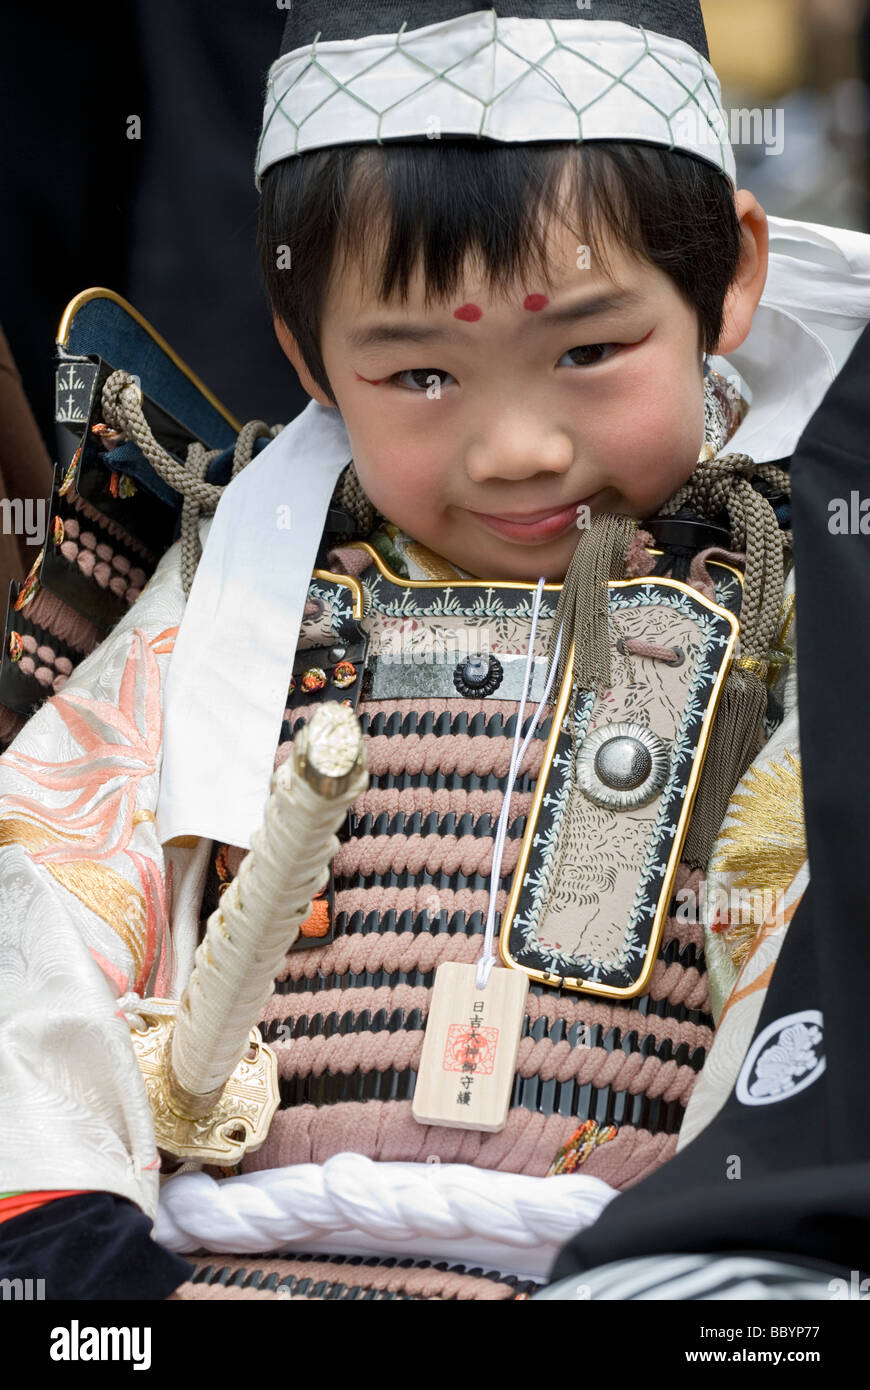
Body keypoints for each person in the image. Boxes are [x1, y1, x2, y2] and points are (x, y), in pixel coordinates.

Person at [1, 0, 869, 1302]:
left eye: (589, 348)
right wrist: (83, 1262)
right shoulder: (238, 593)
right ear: (302, 349)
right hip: (216, 1267)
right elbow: (50, 905)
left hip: (654, 1269)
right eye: (418, 374)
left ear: (727, 277)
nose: (514, 444)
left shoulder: (798, 604)